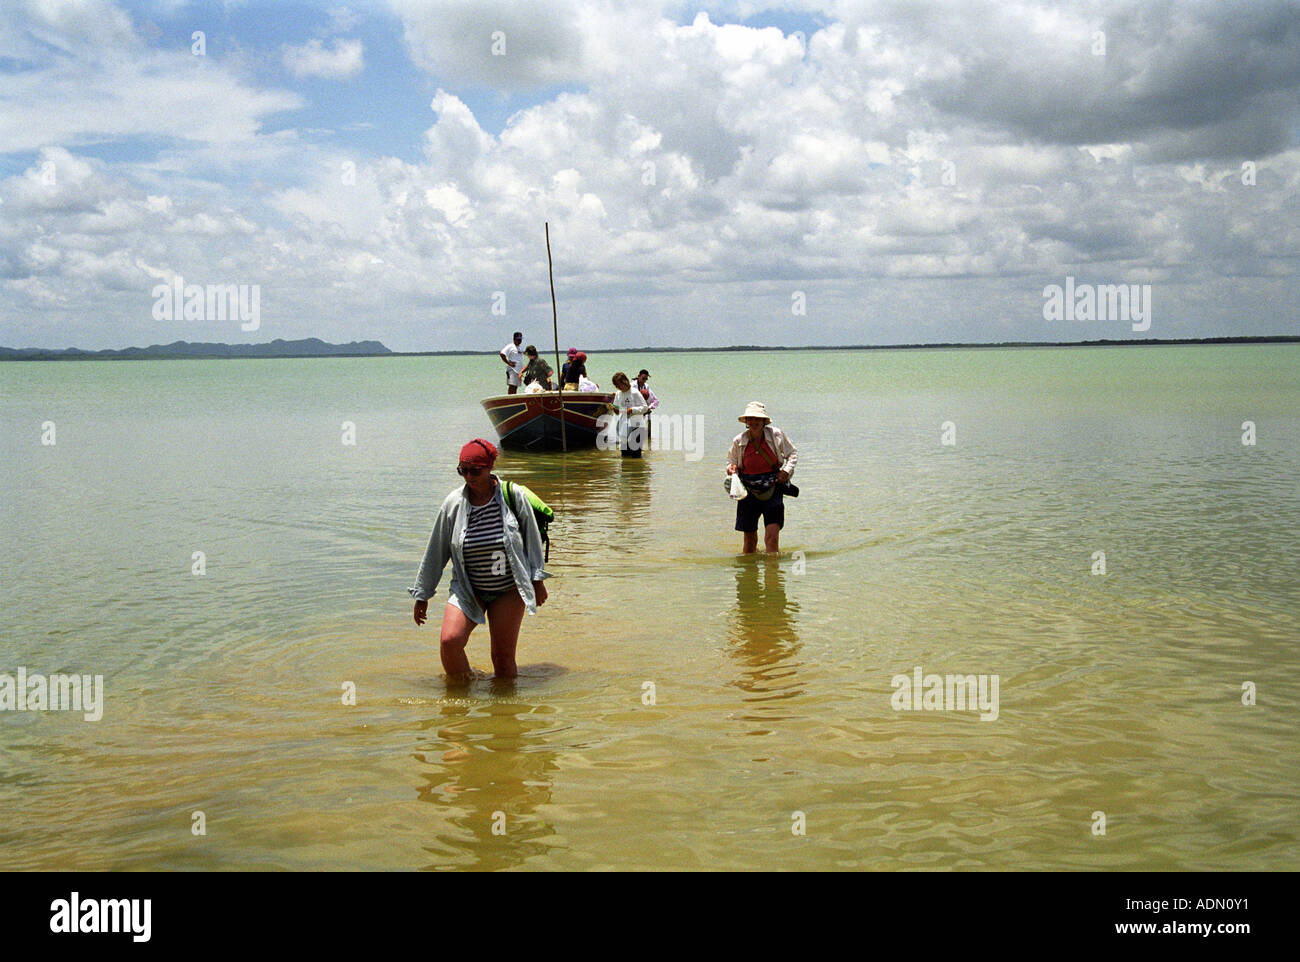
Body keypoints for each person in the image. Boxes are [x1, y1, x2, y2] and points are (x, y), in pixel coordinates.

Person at [410, 438, 549, 681]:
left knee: (503, 661)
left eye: (476, 471)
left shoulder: (513, 496)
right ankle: (464, 697)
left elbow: (532, 538)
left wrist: (537, 580)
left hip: (508, 588)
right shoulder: (453, 504)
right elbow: (436, 550)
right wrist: (423, 594)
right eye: (463, 470)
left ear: (490, 468)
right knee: (449, 642)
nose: (469, 477)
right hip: (468, 588)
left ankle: (503, 716)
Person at [725, 401, 797, 554]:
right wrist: (731, 469)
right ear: (746, 421)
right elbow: (731, 461)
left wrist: (786, 471)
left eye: (757, 418)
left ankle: (773, 573)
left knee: (772, 537)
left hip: (773, 488)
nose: (754, 422)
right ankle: (748, 574)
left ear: (764, 421)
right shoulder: (739, 441)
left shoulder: (776, 435)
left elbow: (792, 454)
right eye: (750, 419)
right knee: (749, 541)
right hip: (747, 492)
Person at [609, 371, 649, 457]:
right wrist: (613, 408)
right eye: (616, 386)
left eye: (619, 385)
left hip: (637, 426)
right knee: (624, 455)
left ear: (625, 381)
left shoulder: (634, 392)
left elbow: (645, 408)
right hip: (624, 426)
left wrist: (632, 410)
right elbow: (617, 411)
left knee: (636, 455)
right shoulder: (618, 394)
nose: (618, 387)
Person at [634, 369, 659, 440]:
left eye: (646, 379)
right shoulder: (631, 386)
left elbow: (656, 400)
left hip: (642, 414)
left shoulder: (646, 387)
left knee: (641, 436)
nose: (644, 381)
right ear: (638, 376)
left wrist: (649, 407)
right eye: (643, 378)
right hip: (632, 413)